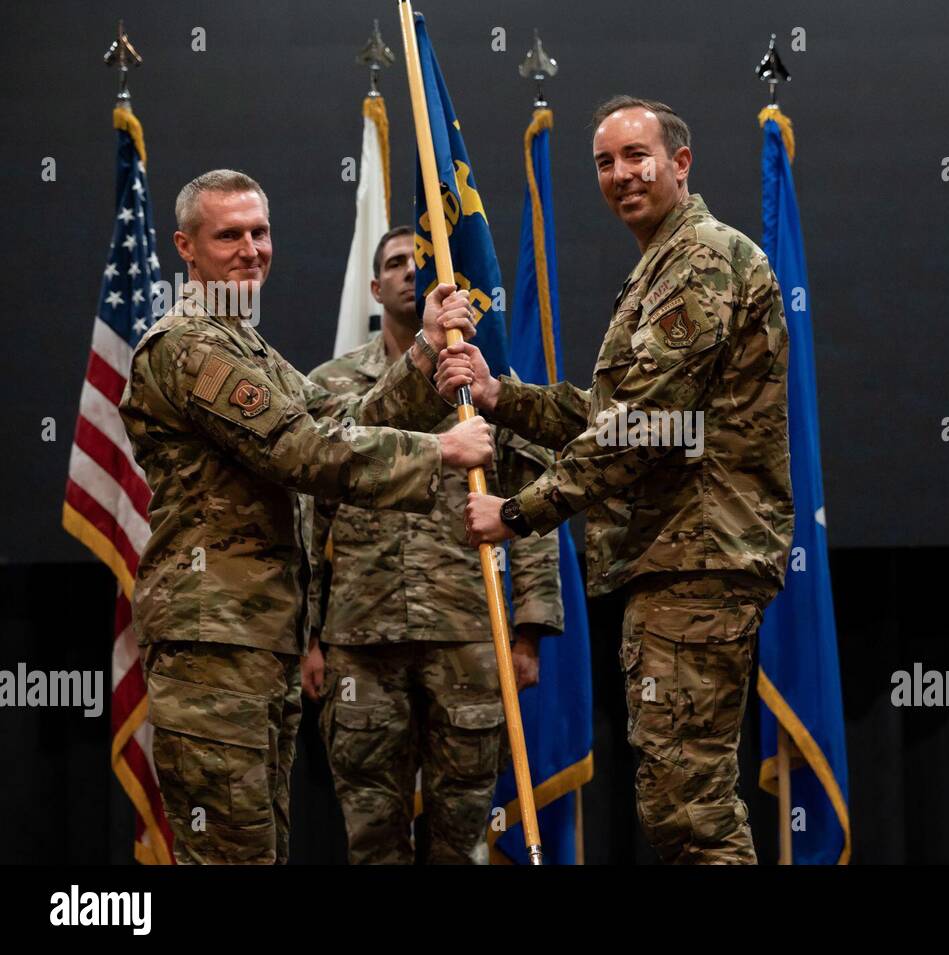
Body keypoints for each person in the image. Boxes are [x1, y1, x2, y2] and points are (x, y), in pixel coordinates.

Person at [435, 97, 793, 864]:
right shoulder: (661, 265)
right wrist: (503, 397)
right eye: (606, 161)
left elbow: (646, 429)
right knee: (679, 803)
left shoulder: (699, 261)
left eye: (638, 155)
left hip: (699, 560)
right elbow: (610, 413)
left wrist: (520, 512)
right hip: (675, 562)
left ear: (680, 162)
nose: (622, 174)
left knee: (688, 809)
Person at [118, 169, 492, 864]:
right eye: (228, 235)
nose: (251, 249)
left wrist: (420, 353)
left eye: (260, 232)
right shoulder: (188, 345)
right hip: (213, 645)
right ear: (185, 247)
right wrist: (440, 449)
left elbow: (340, 418)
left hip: (258, 639)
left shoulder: (250, 348)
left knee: (261, 850)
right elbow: (298, 449)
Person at [300, 225, 563, 864]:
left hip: (470, 627)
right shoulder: (333, 384)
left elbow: (529, 503)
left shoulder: (488, 381)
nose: (410, 272)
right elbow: (310, 518)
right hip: (362, 634)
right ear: (375, 285)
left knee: (465, 830)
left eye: (419, 262)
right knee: (371, 832)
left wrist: (528, 631)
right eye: (395, 263)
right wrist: (309, 634)